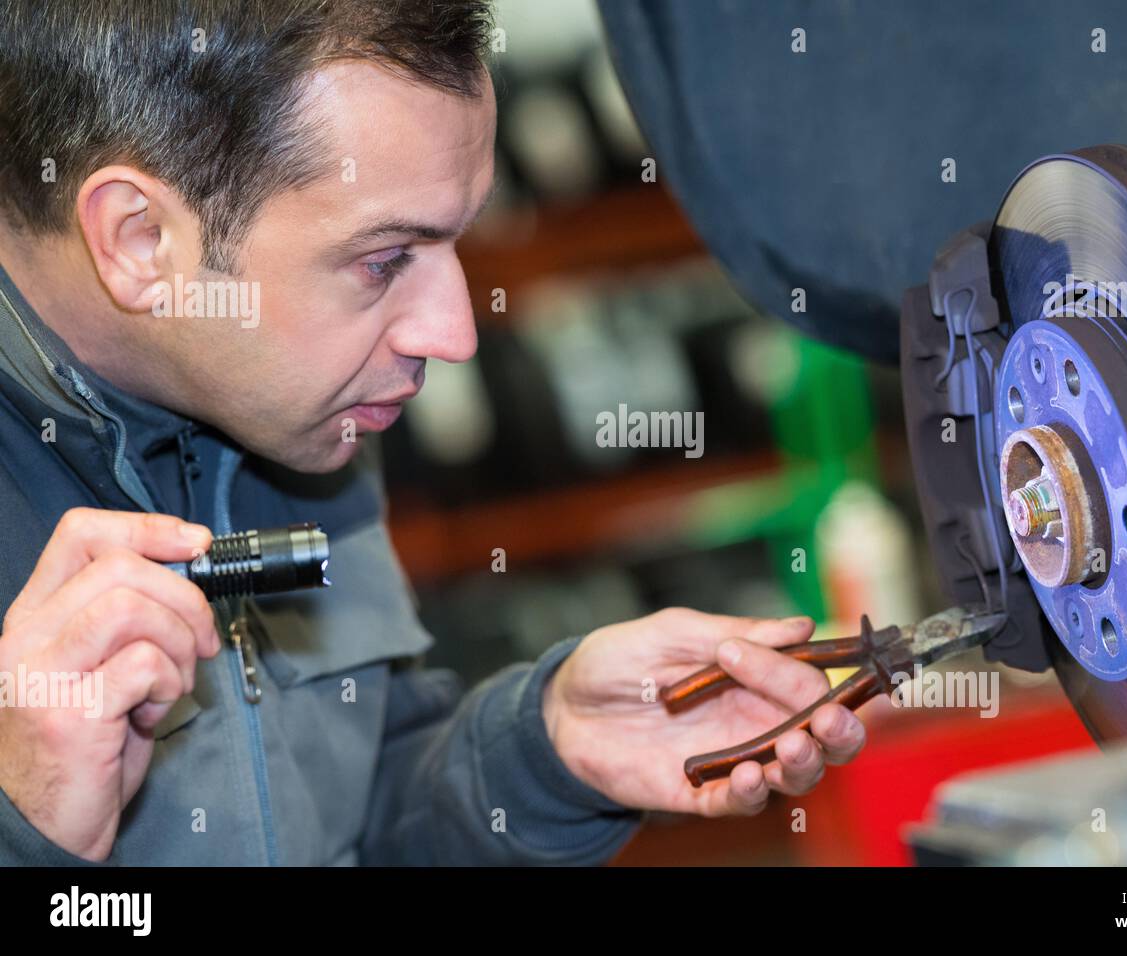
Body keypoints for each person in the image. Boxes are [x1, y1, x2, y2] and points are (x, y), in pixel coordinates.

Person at [0, 0, 867, 865]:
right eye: (383, 262)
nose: (453, 336)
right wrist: (28, 826)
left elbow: (362, 810)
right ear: (141, 240)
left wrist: (544, 752)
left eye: (456, 242)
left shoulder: (292, 413)